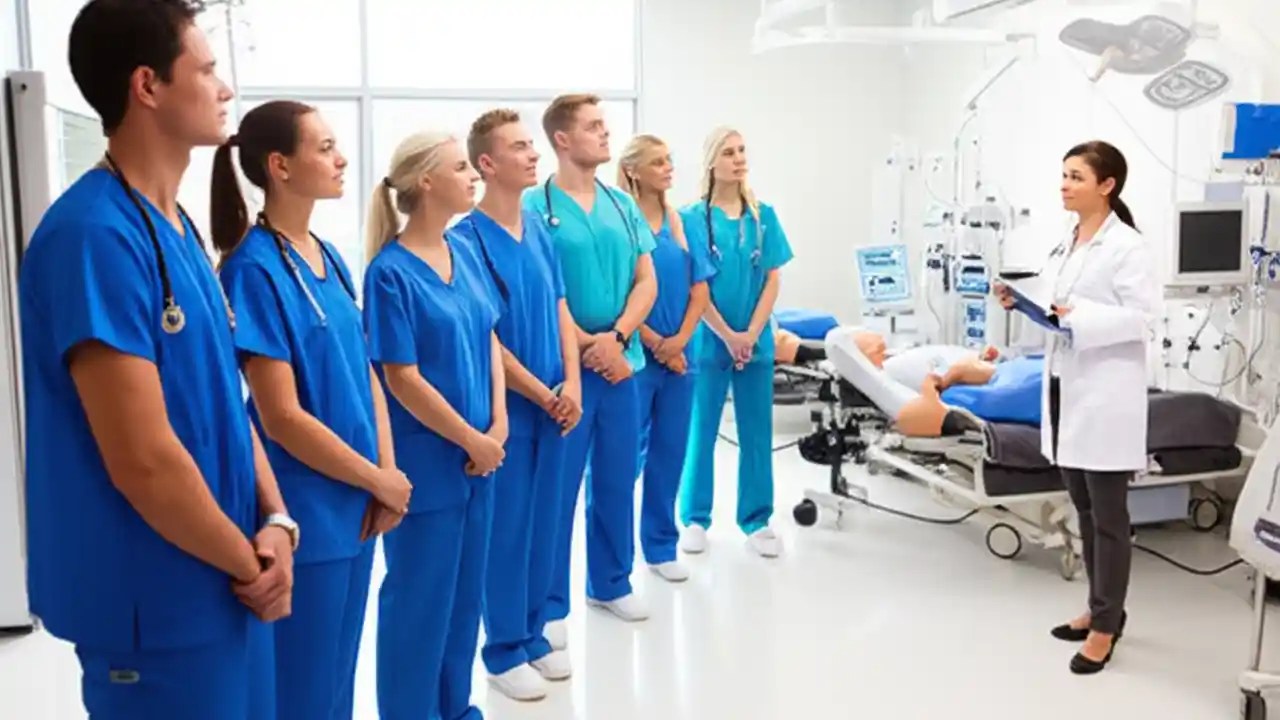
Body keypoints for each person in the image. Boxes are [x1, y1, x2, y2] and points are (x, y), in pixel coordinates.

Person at [18, 1, 293, 717]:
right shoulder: (94, 237)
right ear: (148, 86)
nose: (225, 88)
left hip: (226, 577)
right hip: (158, 600)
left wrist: (277, 520)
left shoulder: (174, 226)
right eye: (205, 70)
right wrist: (249, 563)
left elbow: (224, 403)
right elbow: (140, 457)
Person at [210, 100, 410, 719]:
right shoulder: (252, 268)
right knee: (303, 689)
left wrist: (387, 473)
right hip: (309, 511)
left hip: (358, 503)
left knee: (338, 681)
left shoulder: (326, 254)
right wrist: (375, 477)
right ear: (280, 166)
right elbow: (280, 418)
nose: (341, 157)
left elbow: (366, 374)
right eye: (324, 147)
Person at [996, 140, 1159, 675]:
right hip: (1066, 386)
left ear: (1106, 185)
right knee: (1084, 510)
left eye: (1075, 177)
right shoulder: (1068, 242)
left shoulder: (1127, 247)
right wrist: (1025, 301)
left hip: (1106, 392)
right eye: (1063, 175)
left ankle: (1107, 627)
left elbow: (1140, 319)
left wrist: (1077, 313)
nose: (1064, 184)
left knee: (1109, 517)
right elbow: (1058, 308)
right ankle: (1097, 607)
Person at [363, 130, 506, 720]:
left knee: (464, 602)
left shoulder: (464, 252)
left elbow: (489, 336)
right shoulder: (389, 273)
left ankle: (455, 708)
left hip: (481, 459)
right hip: (429, 464)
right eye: (460, 167)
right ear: (426, 182)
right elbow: (401, 377)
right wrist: (471, 437)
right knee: (419, 606)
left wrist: (497, 424)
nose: (474, 175)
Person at [455, 109, 582, 700]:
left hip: (559, 403)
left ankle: (532, 634)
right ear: (486, 164)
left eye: (533, 145)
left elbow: (561, 311)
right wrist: (541, 392)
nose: (534, 156)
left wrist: (573, 384)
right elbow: (487, 336)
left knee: (547, 524)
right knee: (506, 530)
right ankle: (503, 648)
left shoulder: (539, 231)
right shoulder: (466, 240)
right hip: (512, 409)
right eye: (519, 147)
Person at [523, 94, 658, 640]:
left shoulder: (622, 204)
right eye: (593, 127)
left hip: (623, 364)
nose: (606, 135)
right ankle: (550, 604)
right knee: (556, 489)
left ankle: (610, 582)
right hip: (567, 366)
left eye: (605, 125)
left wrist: (618, 339)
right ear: (562, 138)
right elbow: (542, 290)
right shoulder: (535, 206)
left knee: (617, 478)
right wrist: (586, 347)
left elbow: (647, 280)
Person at [678, 127, 794, 559]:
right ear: (712, 161)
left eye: (743, 150)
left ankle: (757, 520)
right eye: (729, 152)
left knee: (756, 433)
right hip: (709, 340)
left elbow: (772, 278)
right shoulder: (690, 218)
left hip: (755, 342)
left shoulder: (763, 216)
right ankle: (694, 518)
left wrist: (749, 335)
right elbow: (695, 285)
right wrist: (727, 335)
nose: (739, 158)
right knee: (700, 431)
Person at [618, 134, 714, 583]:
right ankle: (613, 559)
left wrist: (680, 342)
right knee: (620, 461)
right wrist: (657, 343)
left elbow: (700, 288)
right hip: (637, 355)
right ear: (634, 170)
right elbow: (620, 292)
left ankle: (660, 546)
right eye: (658, 162)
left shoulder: (683, 221)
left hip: (682, 355)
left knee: (669, 452)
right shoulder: (620, 220)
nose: (668, 168)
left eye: (670, 160)